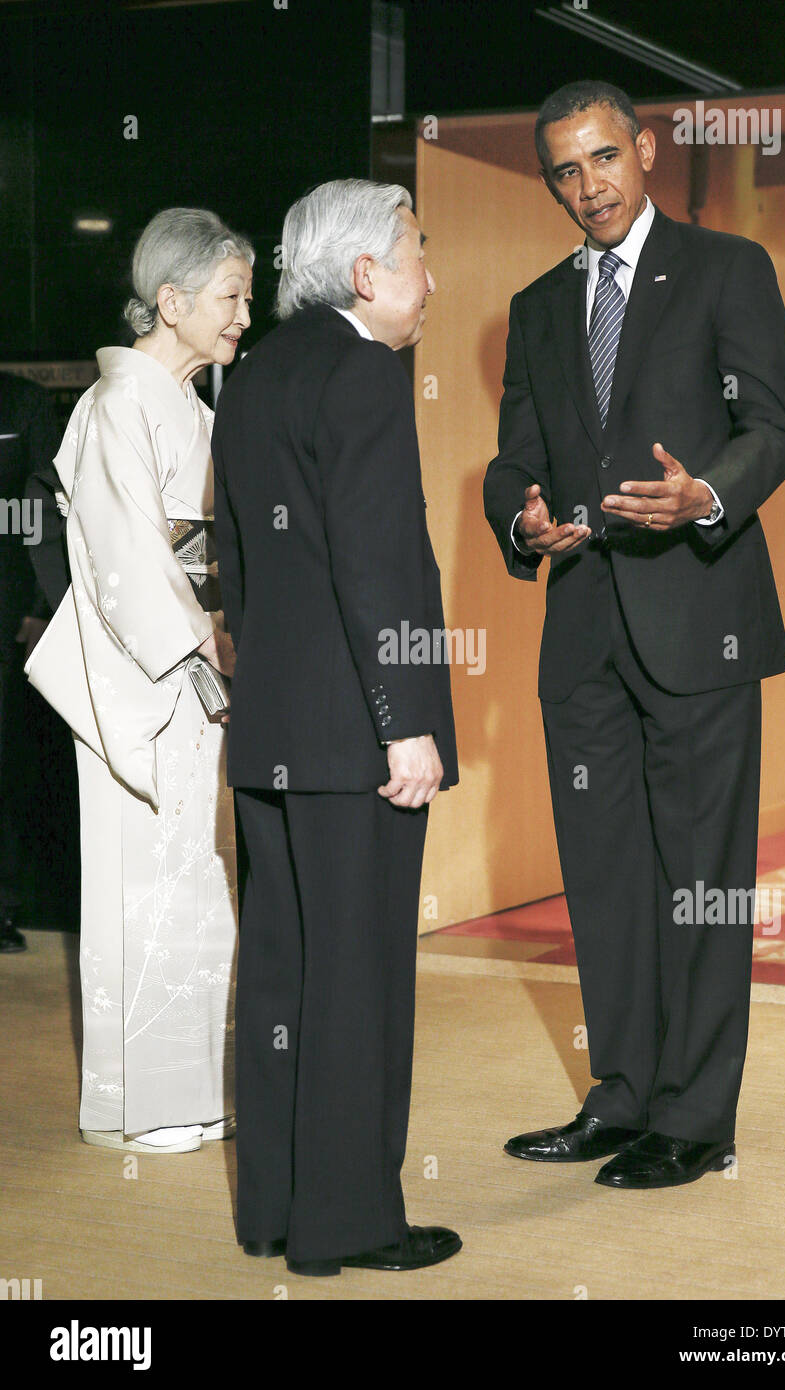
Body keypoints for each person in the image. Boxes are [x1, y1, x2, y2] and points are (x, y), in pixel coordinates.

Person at [484, 81, 785, 1189]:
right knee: (607, 878)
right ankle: (621, 1095)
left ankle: (697, 1115)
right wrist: (519, 514)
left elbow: (774, 428)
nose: (589, 187)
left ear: (647, 151)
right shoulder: (533, 306)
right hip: (581, 639)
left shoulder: (728, 270)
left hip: (700, 625)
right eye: (566, 171)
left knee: (701, 882)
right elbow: (515, 453)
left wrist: (706, 497)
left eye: (604, 159)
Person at [212, 179, 461, 1274]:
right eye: (416, 252)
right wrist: (405, 724)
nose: (429, 278)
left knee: (280, 976)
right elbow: (375, 565)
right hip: (355, 738)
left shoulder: (255, 371)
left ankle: (274, 1210)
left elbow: (247, 566)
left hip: (271, 732)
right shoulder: (362, 369)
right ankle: (353, 1223)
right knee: (356, 982)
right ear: (367, 273)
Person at [26, 209, 253, 1154]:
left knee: (198, 884)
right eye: (231, 298)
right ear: (172, 302)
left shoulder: (188, 406)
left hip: (199, 665)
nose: (245, 316)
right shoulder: (118, 404)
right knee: (150, 886)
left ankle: (191, 1090)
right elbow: (123, 553)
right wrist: (200, 643)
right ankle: (149, 1104)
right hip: (152, 674)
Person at [0, 372, 61, 952]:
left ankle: (3, 907)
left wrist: (40, 606)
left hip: (6, 612)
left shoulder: (22, 402)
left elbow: (42, 507)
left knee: (7, 760)